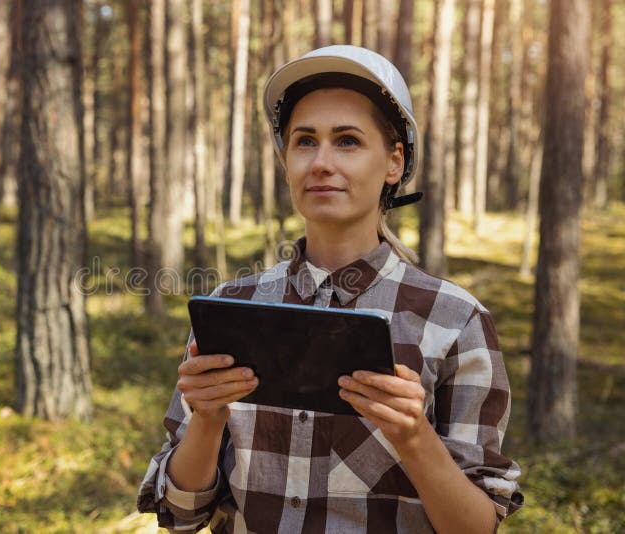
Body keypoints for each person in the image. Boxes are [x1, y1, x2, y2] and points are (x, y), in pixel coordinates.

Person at [137, 45, 523, 533]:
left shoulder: (455, 320)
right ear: (286, 162)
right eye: (304, 141)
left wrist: (414, 438)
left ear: (394, 162)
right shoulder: (231, 309)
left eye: (347, 141)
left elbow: (476, 528)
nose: (320, 162)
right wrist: (208, 419)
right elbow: (180, 514)